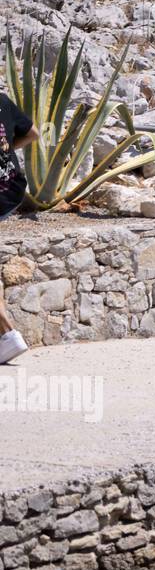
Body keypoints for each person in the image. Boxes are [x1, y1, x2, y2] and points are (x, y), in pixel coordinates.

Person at [0, 90, 37, 365]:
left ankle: (9, 333)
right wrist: (9, 148)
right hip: (10, 190)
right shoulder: (1, 100)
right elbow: (34, 133)